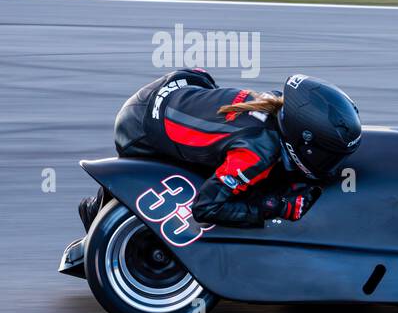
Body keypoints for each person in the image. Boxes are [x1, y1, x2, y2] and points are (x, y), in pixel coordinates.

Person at [78, 69, 362, 230]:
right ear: (303, 142)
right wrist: (275, 206)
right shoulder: (256, 153)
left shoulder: (279, 102)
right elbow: (205, 207)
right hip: (138, 127)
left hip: (177, 84)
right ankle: (98, 207)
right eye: (329, 155)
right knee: (242, 184)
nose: (333, 163)